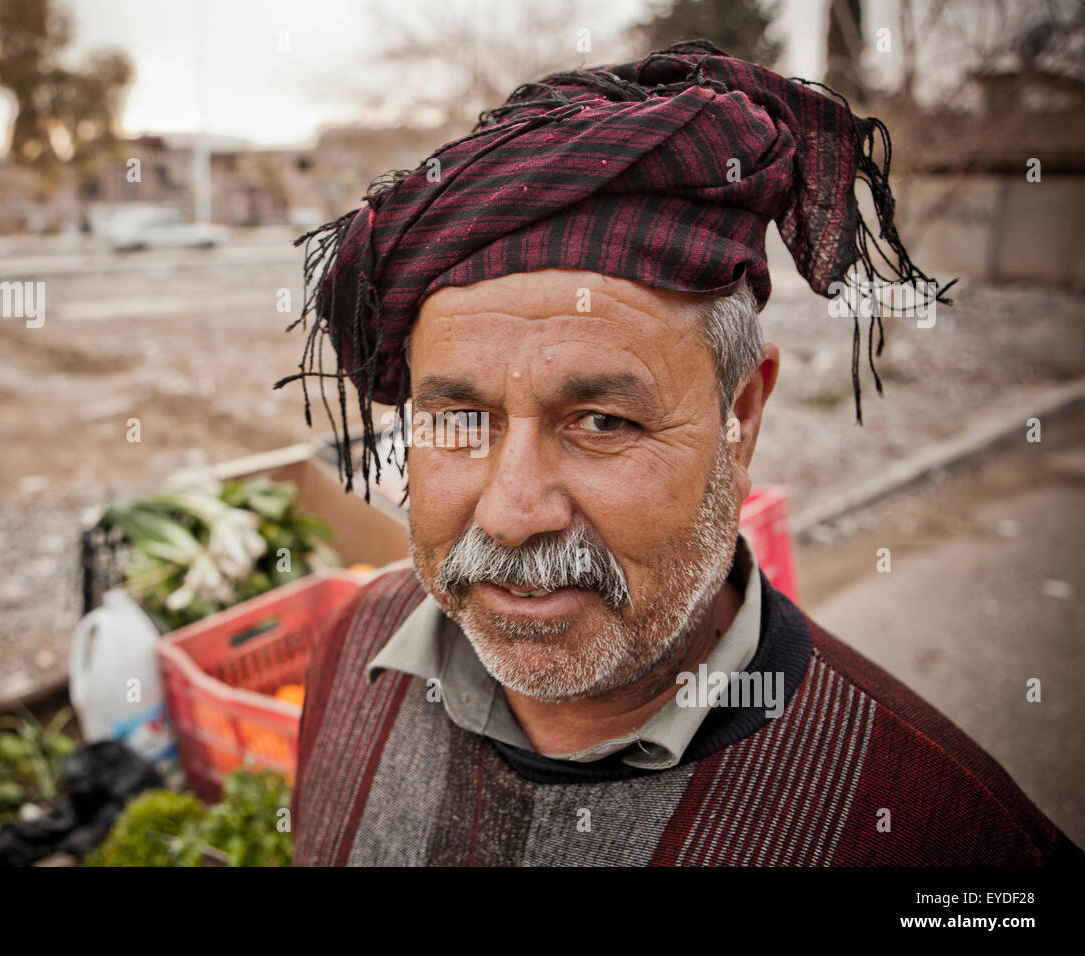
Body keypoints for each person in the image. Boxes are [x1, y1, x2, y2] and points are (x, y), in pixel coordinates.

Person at [275, 41, 1080, 866]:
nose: (513, 514)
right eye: (459, 419)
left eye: (601, 421)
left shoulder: (941, 833)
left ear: (741, 420)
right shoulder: (347, 660)